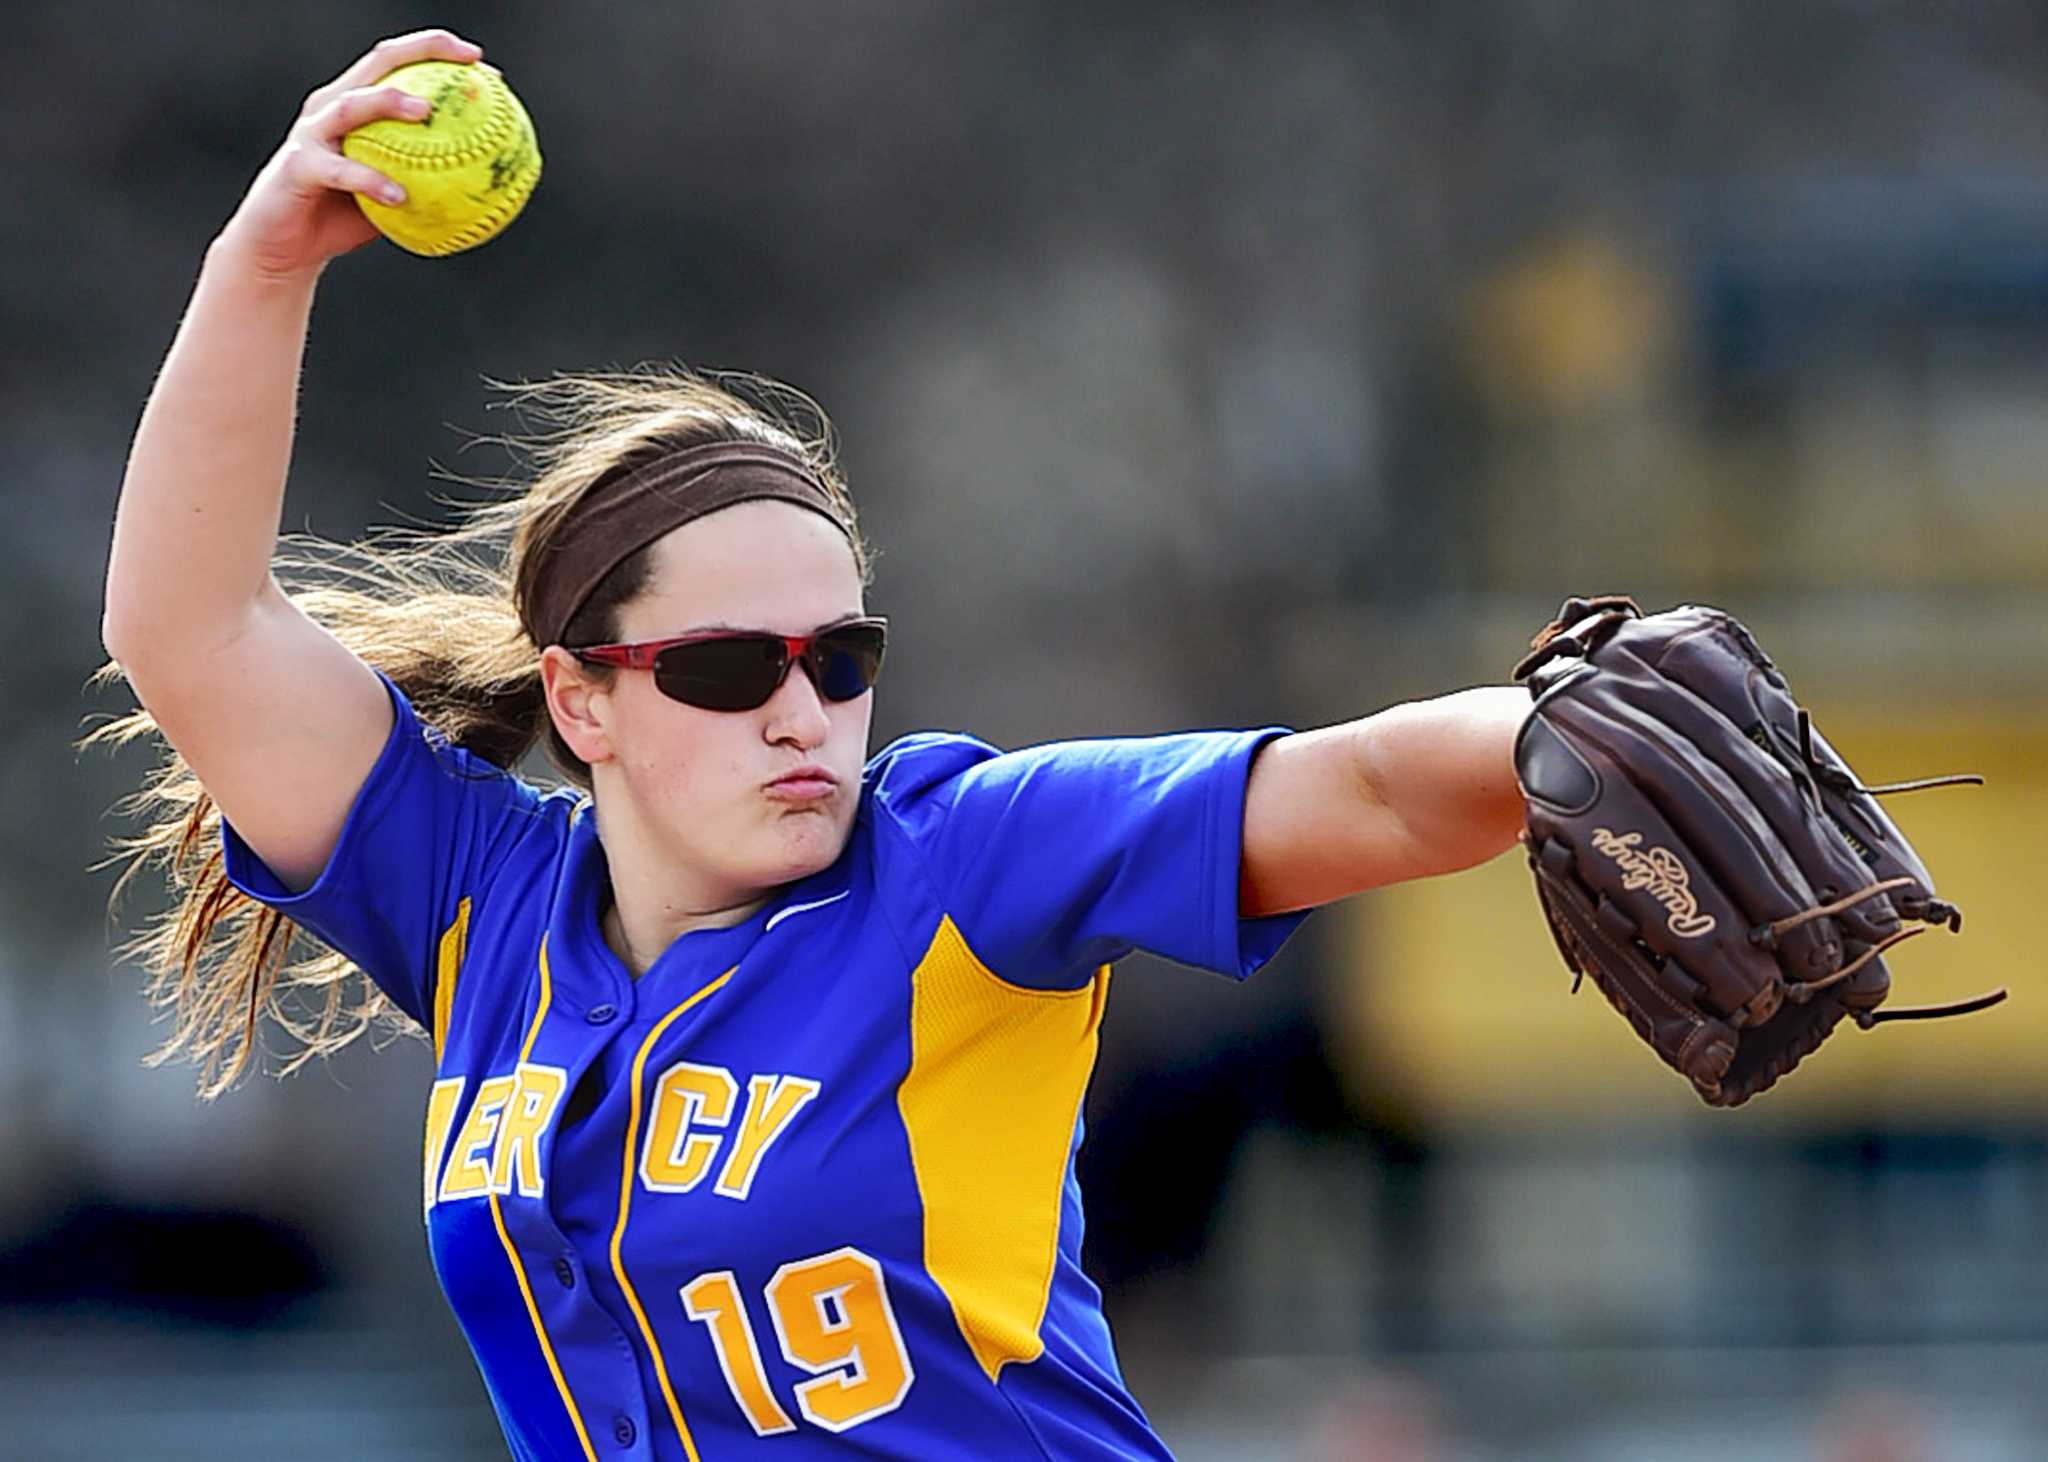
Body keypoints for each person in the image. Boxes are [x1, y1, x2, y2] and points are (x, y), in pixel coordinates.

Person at [95, 28, 1530, 1462]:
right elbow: (190, 632)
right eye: (724, 667)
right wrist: (266, 259)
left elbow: (1371, 787)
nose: (802, 710)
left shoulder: (955, 863)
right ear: (581, 699)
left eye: (840, 659)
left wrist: (1554, 728)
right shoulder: (480, 904)